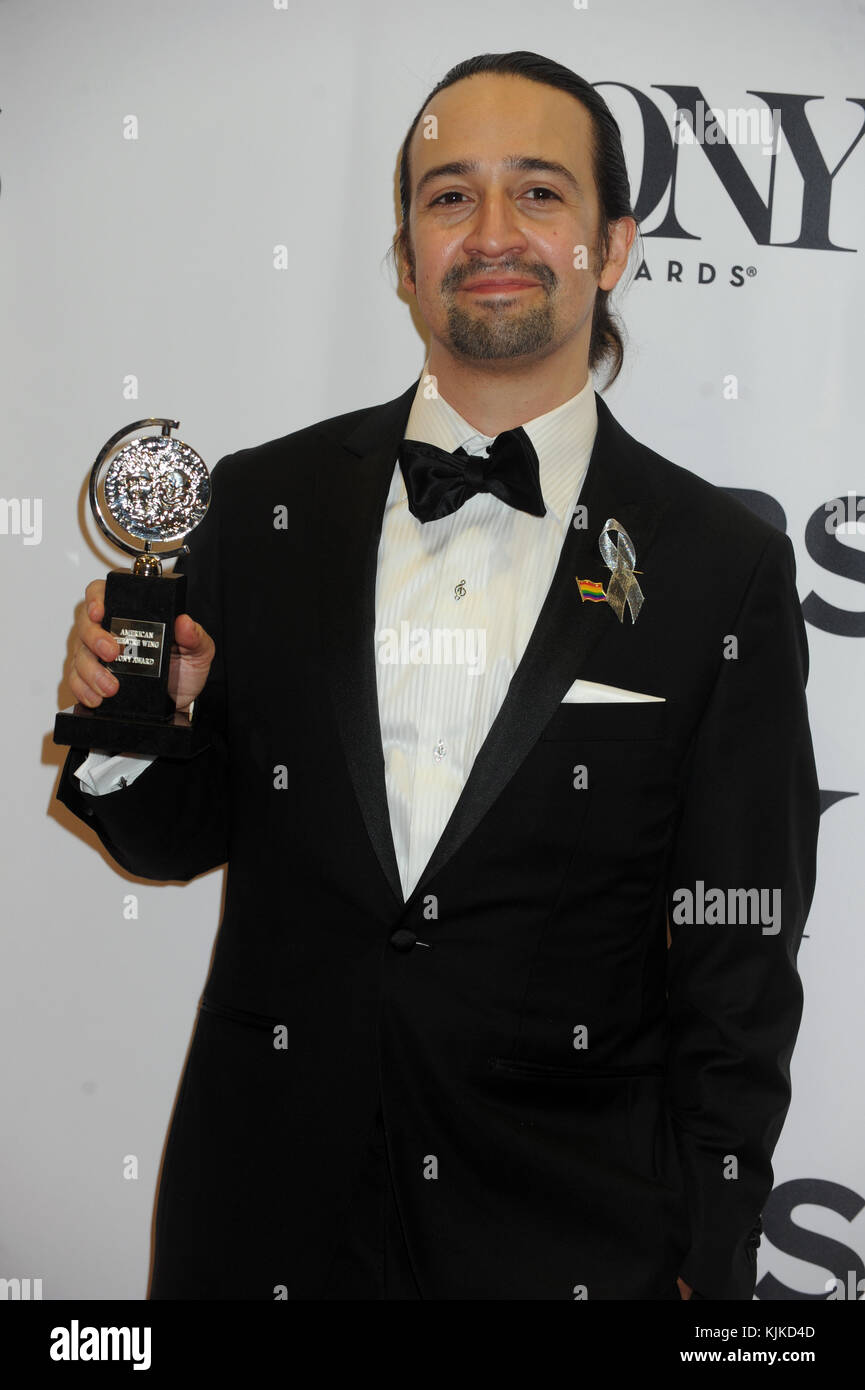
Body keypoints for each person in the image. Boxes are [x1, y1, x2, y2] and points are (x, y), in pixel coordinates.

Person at [55, 50, 820, 1300]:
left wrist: (714, 1248)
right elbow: (166, 843)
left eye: (541, 193)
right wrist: (139, 720)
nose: (493, 233)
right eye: (449, 197)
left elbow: (739, 940)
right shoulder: (260, 504)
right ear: (407, 257)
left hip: (570, 1230)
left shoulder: (719, 565)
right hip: (264, 1215)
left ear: (613, 246)